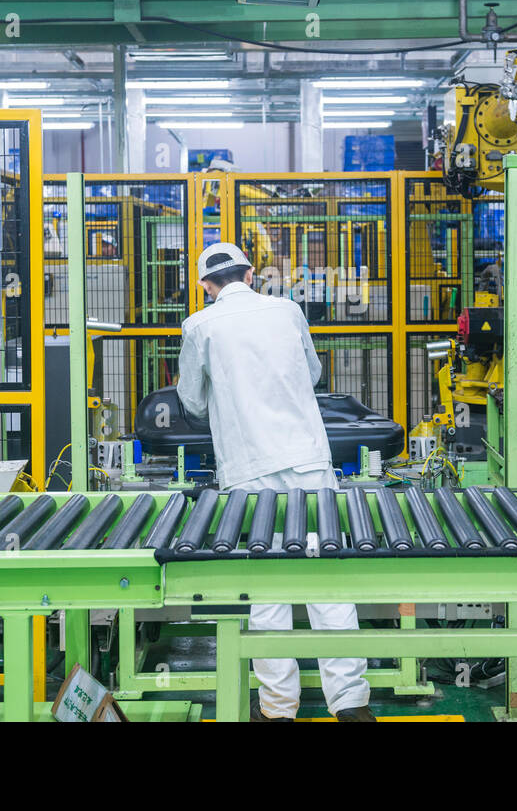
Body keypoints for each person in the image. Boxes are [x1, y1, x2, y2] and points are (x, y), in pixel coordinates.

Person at [176, 242, 375, 722]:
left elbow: (193, 403)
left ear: (206, 285)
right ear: (249, 273)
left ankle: (277, 708)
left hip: (248, 469)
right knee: (328, 582)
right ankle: (349, 704)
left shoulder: (198, 326)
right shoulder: (287, 309)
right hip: (308, 460)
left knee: (266, 589)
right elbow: (311, 373)